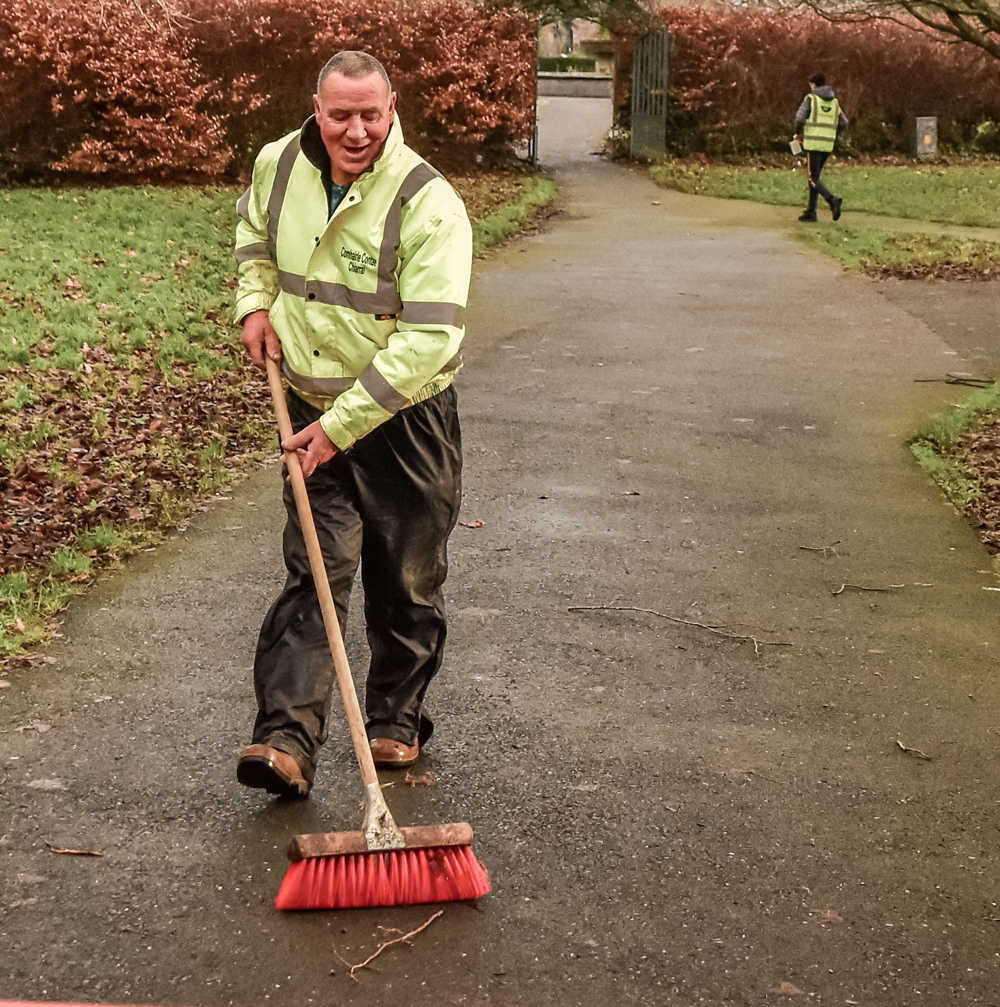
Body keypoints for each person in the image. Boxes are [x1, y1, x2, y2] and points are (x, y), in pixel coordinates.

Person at [232, 50, 473, 797]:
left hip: (404, 420)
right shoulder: (278, 165)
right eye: (341, 115)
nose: (358, 130)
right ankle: (286, 740)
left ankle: (395, 719)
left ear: (393, 106)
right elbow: (253, 242)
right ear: (317, 108)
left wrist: (344, 424)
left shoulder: (429, 202)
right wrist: (255, 303)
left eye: (372, 113)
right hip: (308, 406)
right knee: (315, 572)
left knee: (406, 578)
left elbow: (430, 338)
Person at [793, 73, 848, 222]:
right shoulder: (834, 102)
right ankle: (811, 212)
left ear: (813, 84)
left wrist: (797, 133)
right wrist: (833, 135)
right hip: (827, 144)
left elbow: (799, 118)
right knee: (815, 177)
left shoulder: (811, 99)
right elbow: (844, 122)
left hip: (813, 143)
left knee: (813, 177)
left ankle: (832, 200)